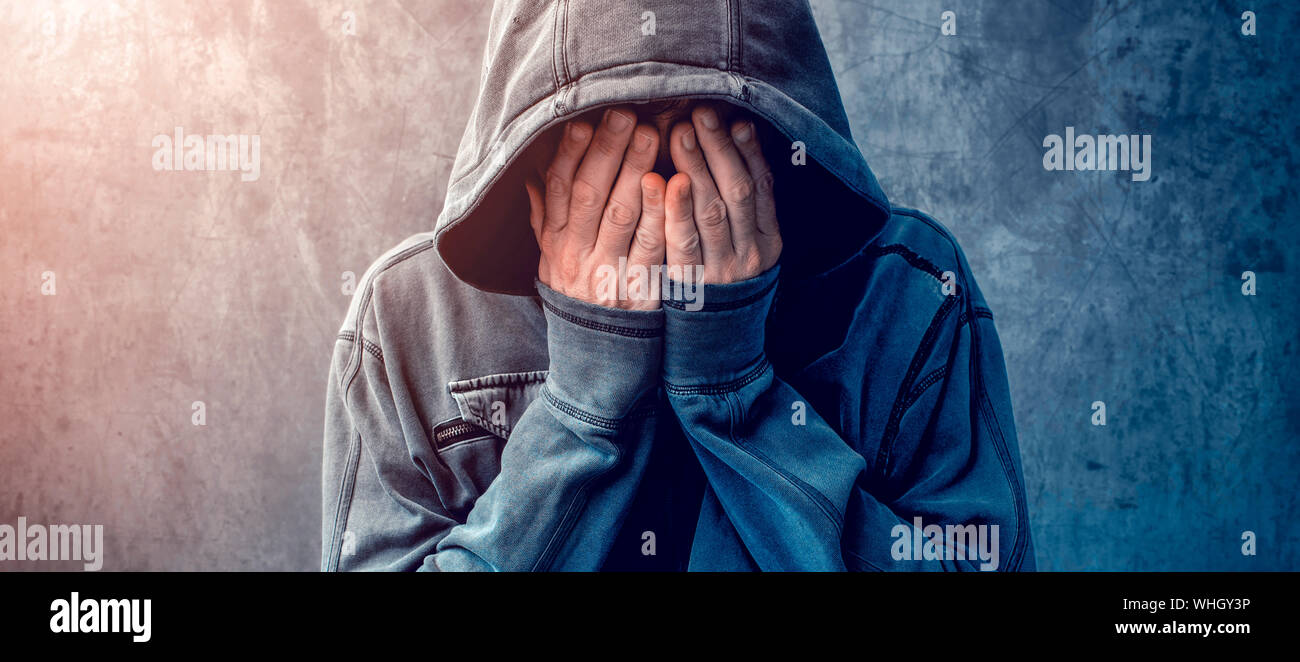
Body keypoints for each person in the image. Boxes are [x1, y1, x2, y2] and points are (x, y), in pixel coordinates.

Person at [321, 0, 1035, 571]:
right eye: (612, 143)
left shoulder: (907, 293)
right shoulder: (410, 317)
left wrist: (736, 396)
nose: (658, 197)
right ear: (534, 152)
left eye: (700, 138)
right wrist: (582, 410)